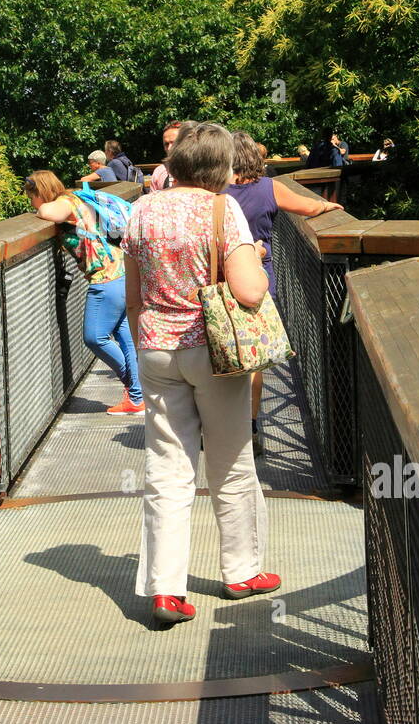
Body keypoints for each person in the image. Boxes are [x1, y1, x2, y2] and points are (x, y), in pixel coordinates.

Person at [121, 121, 281, 626]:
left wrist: (149, 338)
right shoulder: (221, 208)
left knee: (167, 469)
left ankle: (166, 590)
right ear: (221, 168)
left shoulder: (142, 208)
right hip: (212, 353)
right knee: (231, 462)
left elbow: (132, 295)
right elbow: (251, 292)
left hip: (155, 348)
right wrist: (252, 256)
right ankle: (241, 572)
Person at [228, 131, 343, 454]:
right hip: (258, 282)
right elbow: (309, 207)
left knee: (223, 354)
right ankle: (251, 428)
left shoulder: (214, 193)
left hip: (220, 282)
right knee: (254, 362)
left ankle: (219, 426)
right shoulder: (269, 188)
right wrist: (329, 206)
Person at [24, 170, 143, 414]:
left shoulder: (64, 203)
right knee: (124, 335)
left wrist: (38, 210)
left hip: (106, 277)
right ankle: (138, 397)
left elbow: (47, 212)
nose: (31, 202)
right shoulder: (77, 198)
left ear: (39, 192)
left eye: (31, 196)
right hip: (121, 270)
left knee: (95, 337)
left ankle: (135, 387)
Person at [149, 119, 186, 192]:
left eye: (174, 143)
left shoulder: (199, 170)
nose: (169, 148)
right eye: (166, 144)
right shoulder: (159, 172)